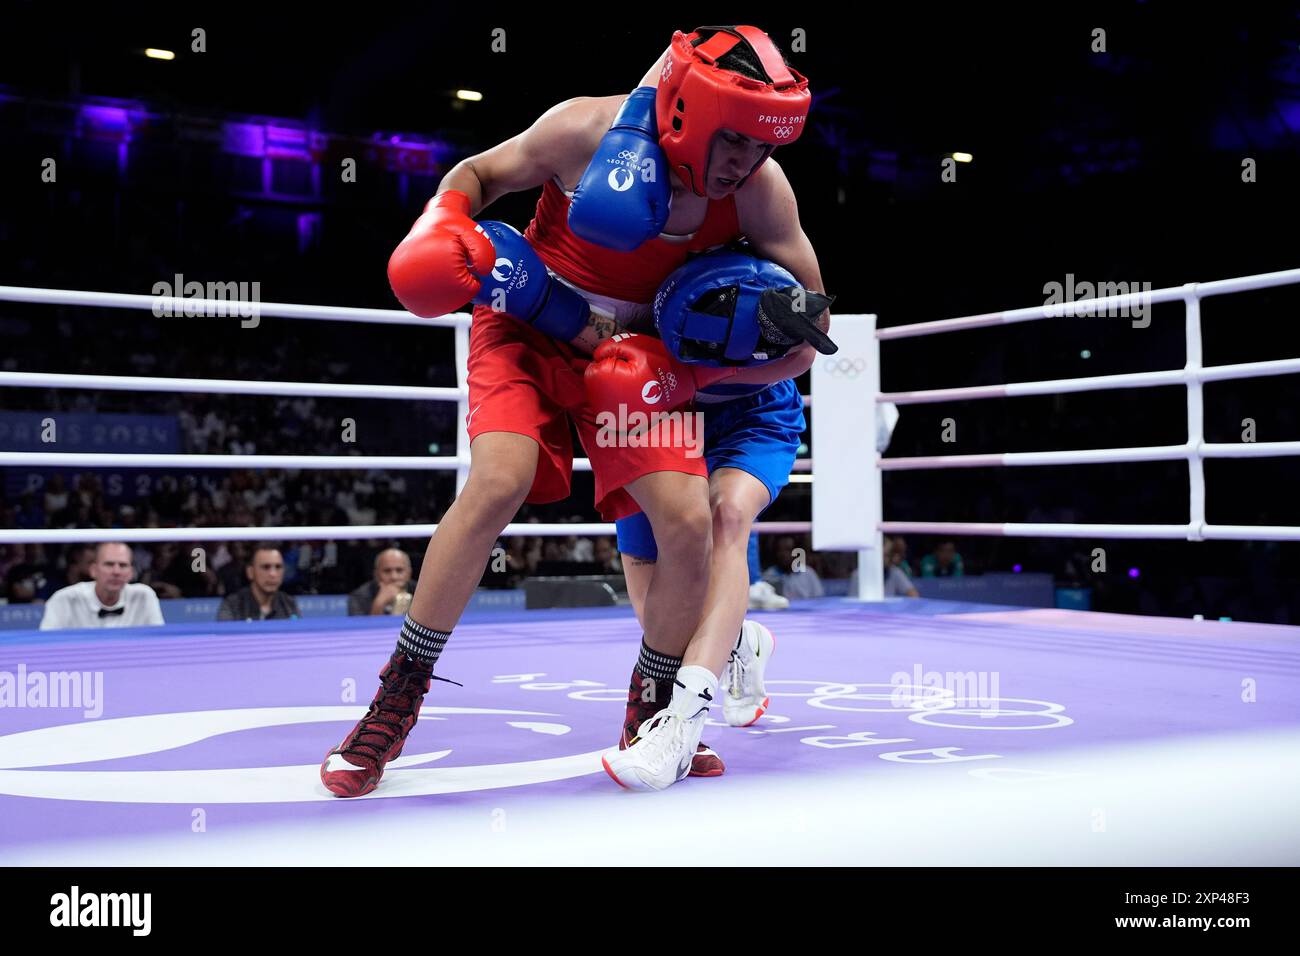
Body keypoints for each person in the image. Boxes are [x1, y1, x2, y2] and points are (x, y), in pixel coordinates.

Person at [321, 24, 820, 797]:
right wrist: (441, 222)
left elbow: (808, 333)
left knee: (688, 522)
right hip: (527, 324)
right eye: (734, 142)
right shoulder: (585, 128)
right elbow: (479, 173)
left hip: (640, 360)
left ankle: (651, 713)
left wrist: (699, 377)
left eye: (761, 147)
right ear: (687, 111)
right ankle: (394, 701)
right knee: (499, 480)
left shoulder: (761, 192)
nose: (744, 163)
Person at [40, 542, 165, 629]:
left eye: (123, 565)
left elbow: (159, 645)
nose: (116, 572)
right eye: (109, 564)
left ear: (131, 573)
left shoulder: (144, 596)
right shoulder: (64, 599)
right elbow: (44, 647)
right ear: (93, 570)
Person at [217, 544, 300, 621]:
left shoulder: (289, 604)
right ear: (250, 572)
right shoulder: (232, 605)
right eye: (266, 567)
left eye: (278, 567)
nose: (273, 574)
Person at [347, 548, 415, 616]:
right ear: (376, 574)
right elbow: (361, 626)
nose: (394, 577)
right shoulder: (358, 597)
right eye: (387, 571)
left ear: (409, 572)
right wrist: (379, 603)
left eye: (399, 570)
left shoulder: (420, 591)